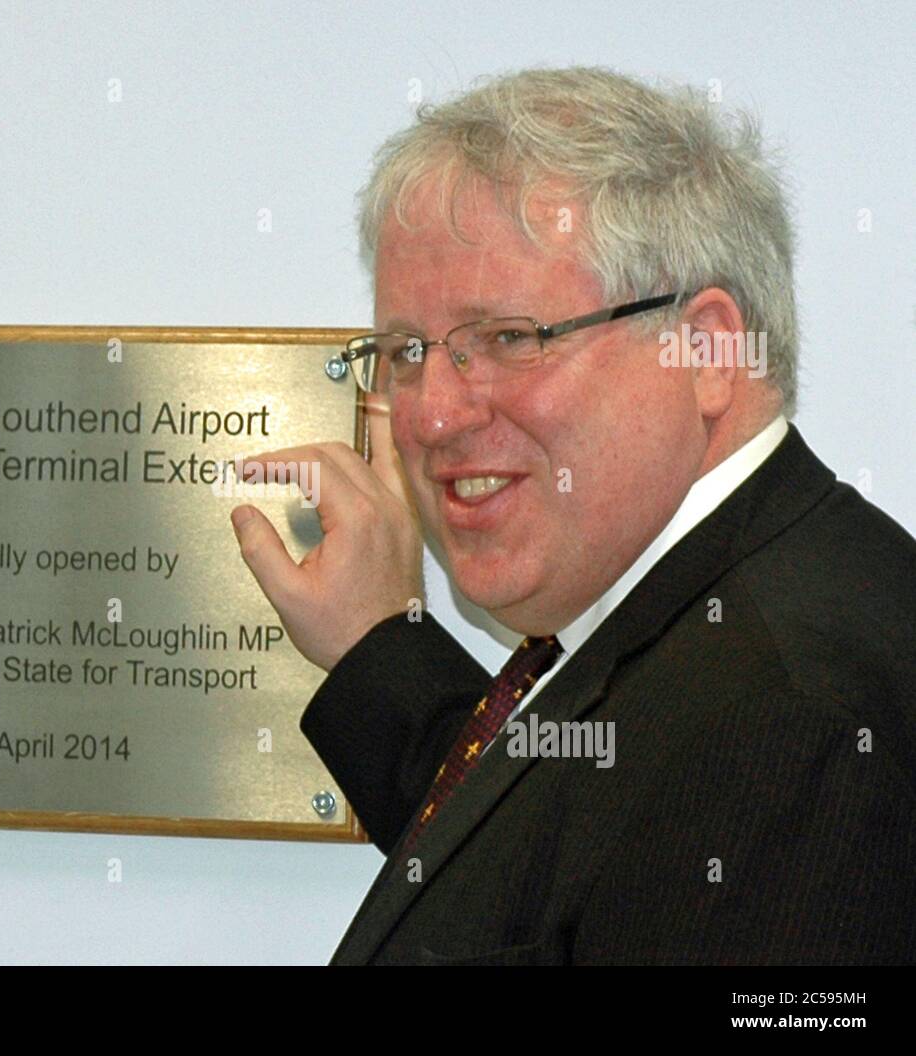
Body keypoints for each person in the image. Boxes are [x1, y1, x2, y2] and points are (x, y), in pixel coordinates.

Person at [228, 66, 916, 965]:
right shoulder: (714, 607)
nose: (430, 416)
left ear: (706, 352)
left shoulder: (790, 725)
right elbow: (556, 858)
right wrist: (376, 645)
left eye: (510, 339)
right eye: (406, 351)